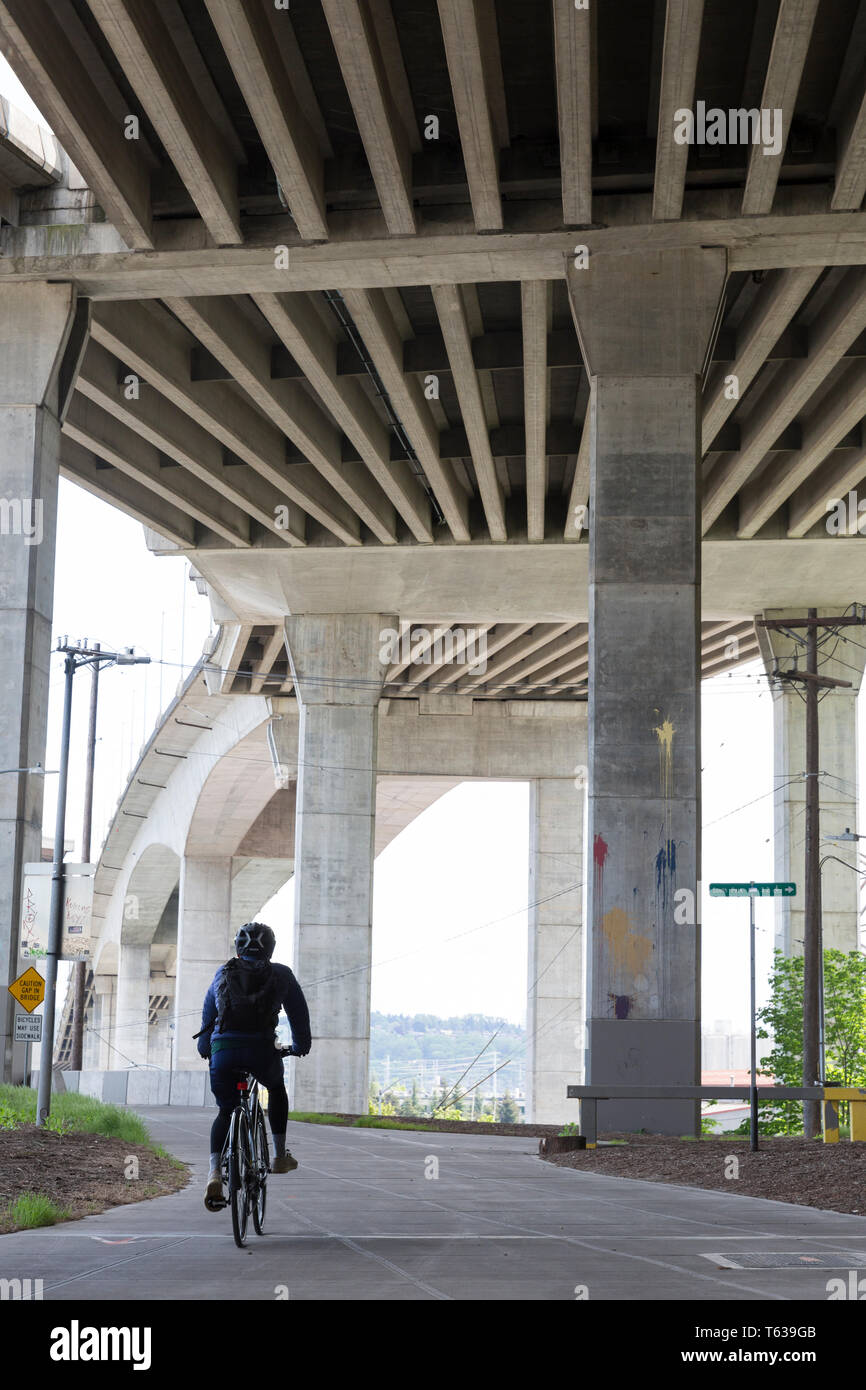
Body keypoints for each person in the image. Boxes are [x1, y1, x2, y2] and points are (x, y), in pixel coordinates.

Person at [197, 922, 311, 1207]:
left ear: (238, 947)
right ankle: (280, 1155)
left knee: (225, 1111)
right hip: (261, 1051)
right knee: (275, 1087)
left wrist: (204, 1047)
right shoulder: (281, 974)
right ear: (270, 949)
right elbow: (298, 1014)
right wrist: (300, 1046)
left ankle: (214, 1173)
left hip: (223, 1051)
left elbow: (209, 1015)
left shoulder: (223, 972)